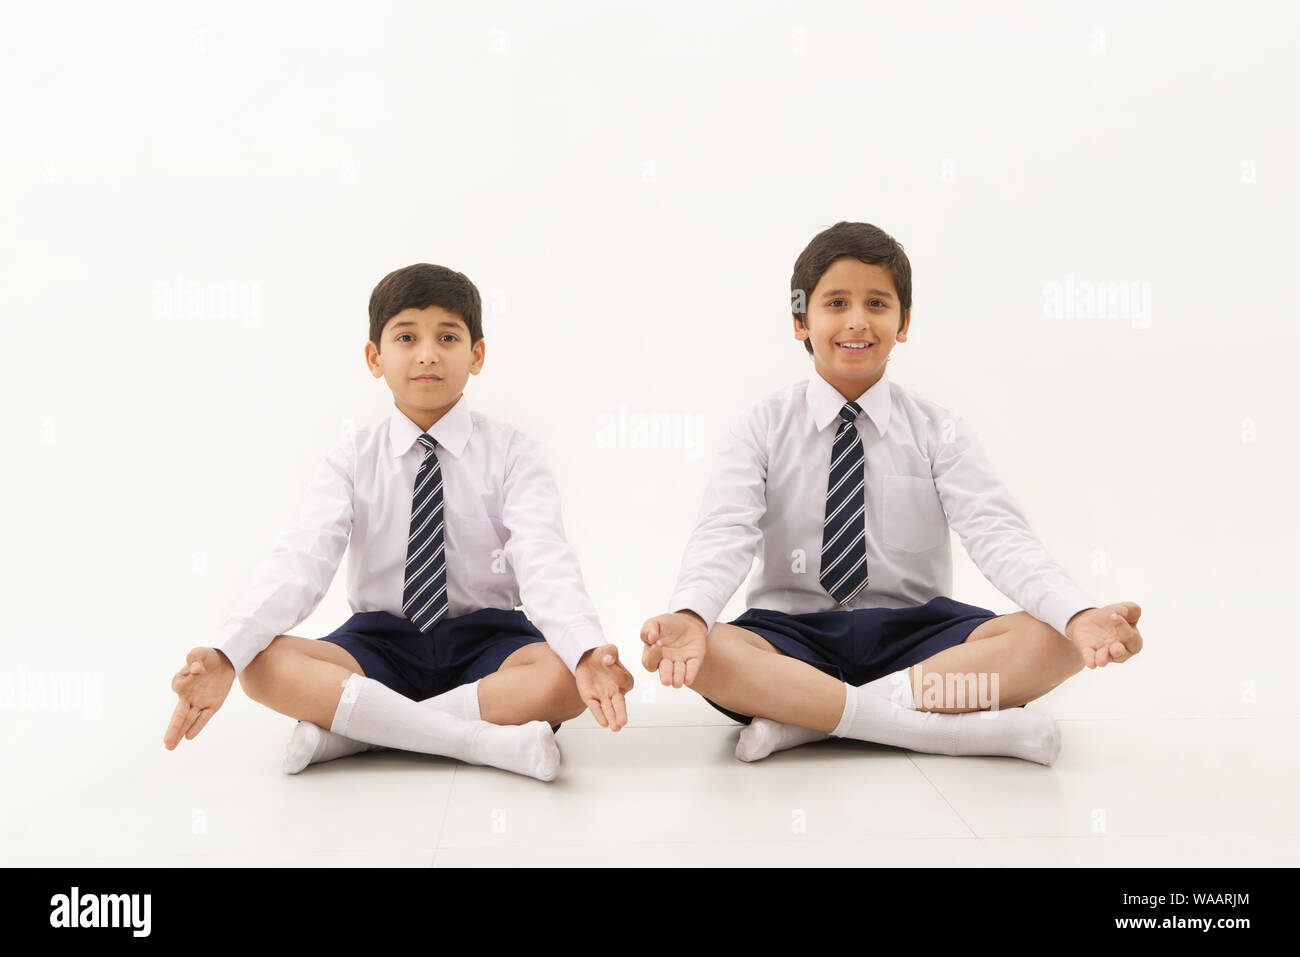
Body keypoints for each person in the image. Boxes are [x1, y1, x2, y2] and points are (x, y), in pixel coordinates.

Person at [640, 221, 1143, 765]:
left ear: (902, 323)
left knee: (1057, 638)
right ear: (799, 320)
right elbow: (724, 532)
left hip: (921, 643)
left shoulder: (937, 429)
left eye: (877, 304)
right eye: (836, 302)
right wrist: (690, 617)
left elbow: (998, 534)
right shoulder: (760, 427)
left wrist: (1077, 614)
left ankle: (811, 721)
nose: (857, 321)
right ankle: (932, 729)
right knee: (707, 650)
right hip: (792, 642)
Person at [164, 263, 632, 781]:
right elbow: (303, 558)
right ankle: (478, 740)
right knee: (260, 666)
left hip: (488, 642)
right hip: (378, 645)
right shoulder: (351, 457)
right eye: (406, 336)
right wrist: (226, 653)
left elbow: (544, 556)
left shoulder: (515, 452)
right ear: (374, 357)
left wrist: (586, 650)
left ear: (476, 355)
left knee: (564, 677)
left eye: (448, 337)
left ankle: (357, 734)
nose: (427, 353)